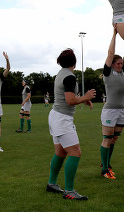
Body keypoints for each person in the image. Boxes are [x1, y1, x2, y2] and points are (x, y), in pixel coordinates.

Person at [46, 48, 96, 201]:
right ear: (74, 62)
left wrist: (83, 98)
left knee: (61, 153)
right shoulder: (70, 77)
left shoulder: (61, 74)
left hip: (55, 116)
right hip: (62, 119)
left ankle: (51, 184)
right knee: (75, 153)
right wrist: (86, 96)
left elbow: (68, 95)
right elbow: (69, 100)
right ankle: (69, 191)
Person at [99, 26, 124, 179]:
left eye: (121, 64)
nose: (120, 65)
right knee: (107, 139)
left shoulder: (122, 72)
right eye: (117, 64)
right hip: (110, 110)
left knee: (114, 139)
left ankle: (107, 164)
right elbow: (111, 53)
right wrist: (114, 34)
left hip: (122, 110)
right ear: (111, 65)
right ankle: (104, 170)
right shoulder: (108, 73)